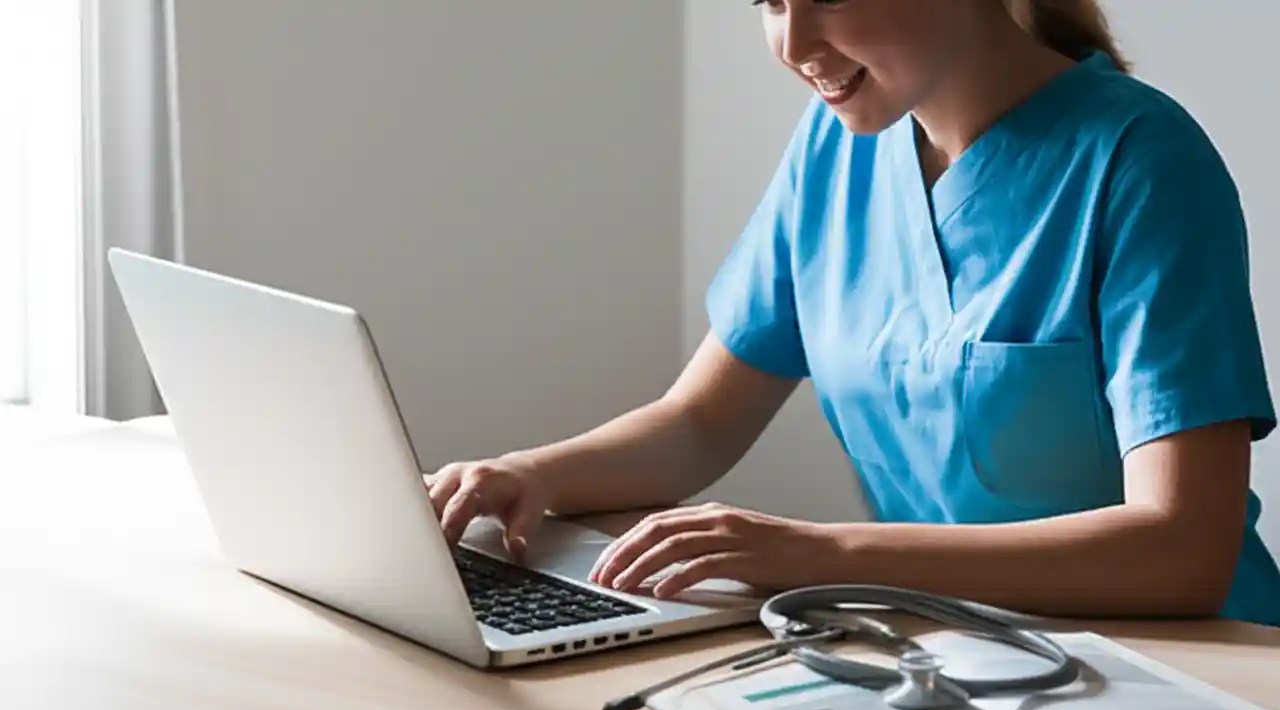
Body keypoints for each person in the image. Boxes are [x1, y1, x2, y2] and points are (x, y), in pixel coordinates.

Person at [426, 0, 1280, 626]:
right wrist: (531, 474)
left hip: (1190, 666)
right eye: (766, 2)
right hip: (960, 652)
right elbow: (699, 422)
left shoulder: (1142, 163)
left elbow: (1183, 550)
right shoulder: (837, 146)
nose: (793, 44)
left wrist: (821, 557)